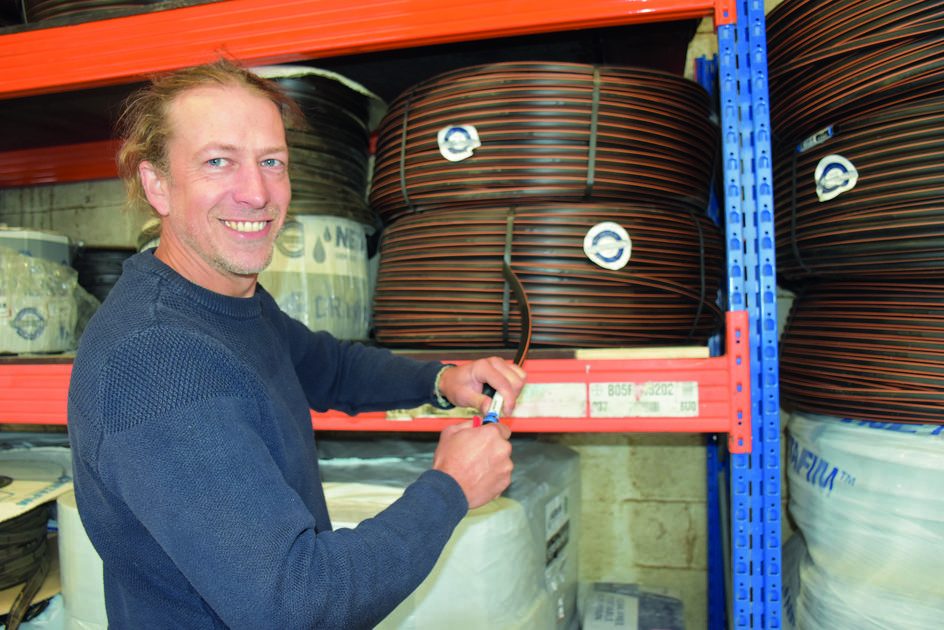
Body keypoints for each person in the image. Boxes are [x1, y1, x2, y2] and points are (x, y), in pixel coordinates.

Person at [67, 58, 527, 630]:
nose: (256, 193)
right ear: (157, 184)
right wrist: (449, 489)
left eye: (271, 163)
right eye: (218, 162)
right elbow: (295, 602)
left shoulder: (227, 302)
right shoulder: (157, 359)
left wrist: (438, 380)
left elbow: (326, 366)